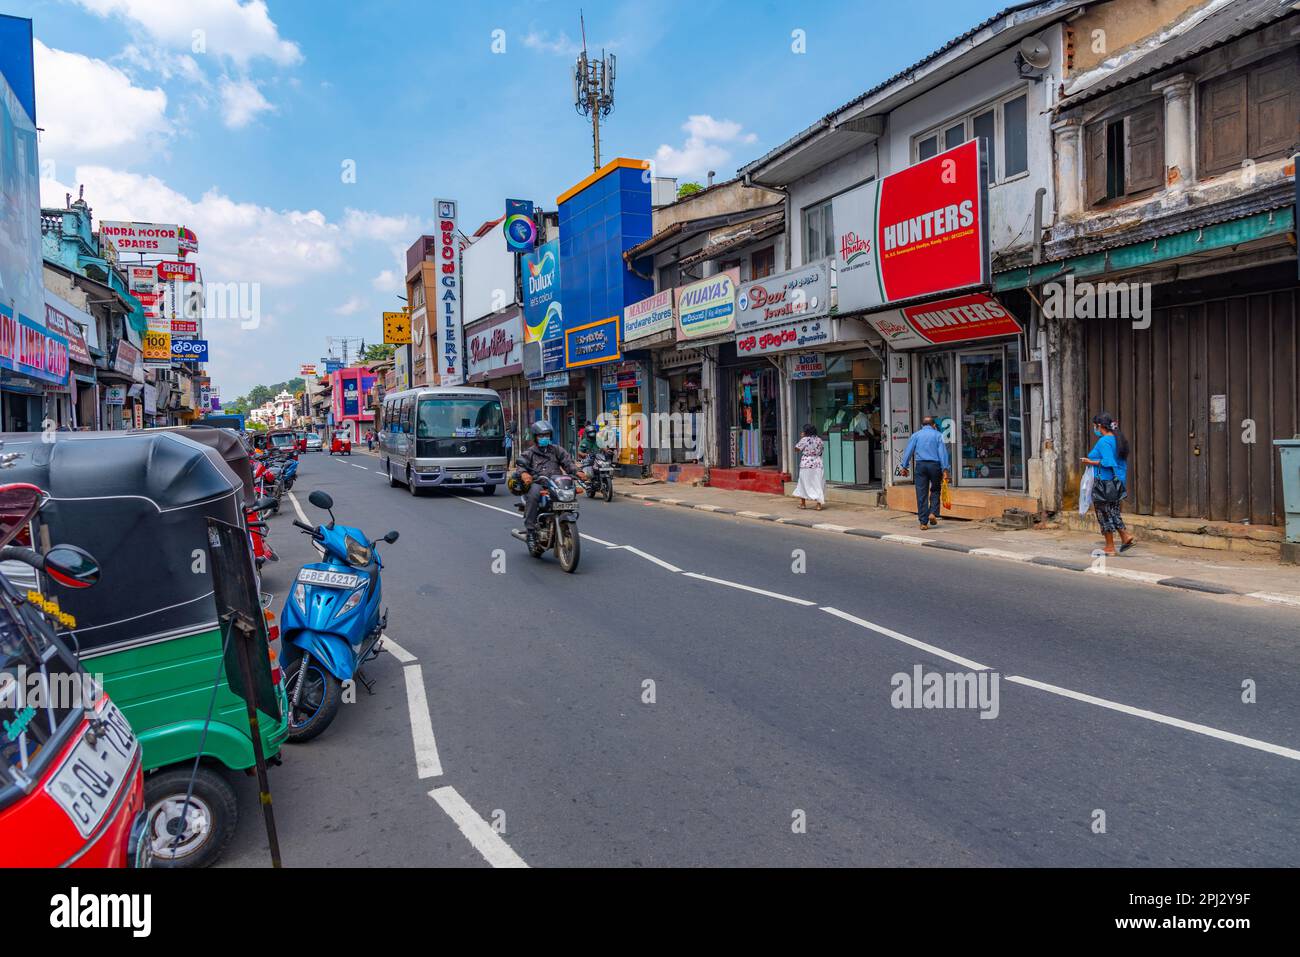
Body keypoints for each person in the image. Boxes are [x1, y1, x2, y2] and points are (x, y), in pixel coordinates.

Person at [514, 420, 576, 550]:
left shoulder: (557, 450)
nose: (544, 438)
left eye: (547, 435)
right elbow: (521, 465)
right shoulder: (530, 452)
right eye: (541, 436)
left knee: (570, 492)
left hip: (555, 483)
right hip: (538, 483)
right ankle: (530, 532)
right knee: (534, 494)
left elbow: (568, 462)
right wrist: (524, 474)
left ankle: (565, 523)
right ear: (535, 437)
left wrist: (578, 471)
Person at [1081, 411, 1135, 556]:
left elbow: (1107, 462)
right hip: (1116, 482)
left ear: (1099, 426)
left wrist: (1089, 461)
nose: (1095, 429)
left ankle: (1110, 547)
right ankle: (1125, 537)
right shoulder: (1117, 439)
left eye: (1095, 426)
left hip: (1104, 482)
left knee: (1104, 513)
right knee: (1113, 511)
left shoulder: (1104, 441)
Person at [898, 416, 950, 531]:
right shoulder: (938, 435)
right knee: (935, 490)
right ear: (934, 425)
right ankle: (933, 513)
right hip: (935, 466)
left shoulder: (916, 435)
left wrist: (904, 467)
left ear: (922, 425)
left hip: (921, 466)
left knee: (921, 493)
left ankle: (923, 522)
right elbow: (943, 454)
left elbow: (908, 451)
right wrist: (945, 469)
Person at [792, 424, 826, 510]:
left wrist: (803, 439)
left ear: (806, 431)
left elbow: (796, 449)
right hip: (818, 464)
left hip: (806, 464)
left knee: (803, 483)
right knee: (818, 484)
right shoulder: (819, 440)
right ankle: (818, 505)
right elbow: (821, 451)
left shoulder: (804, 440)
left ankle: (803, 504)